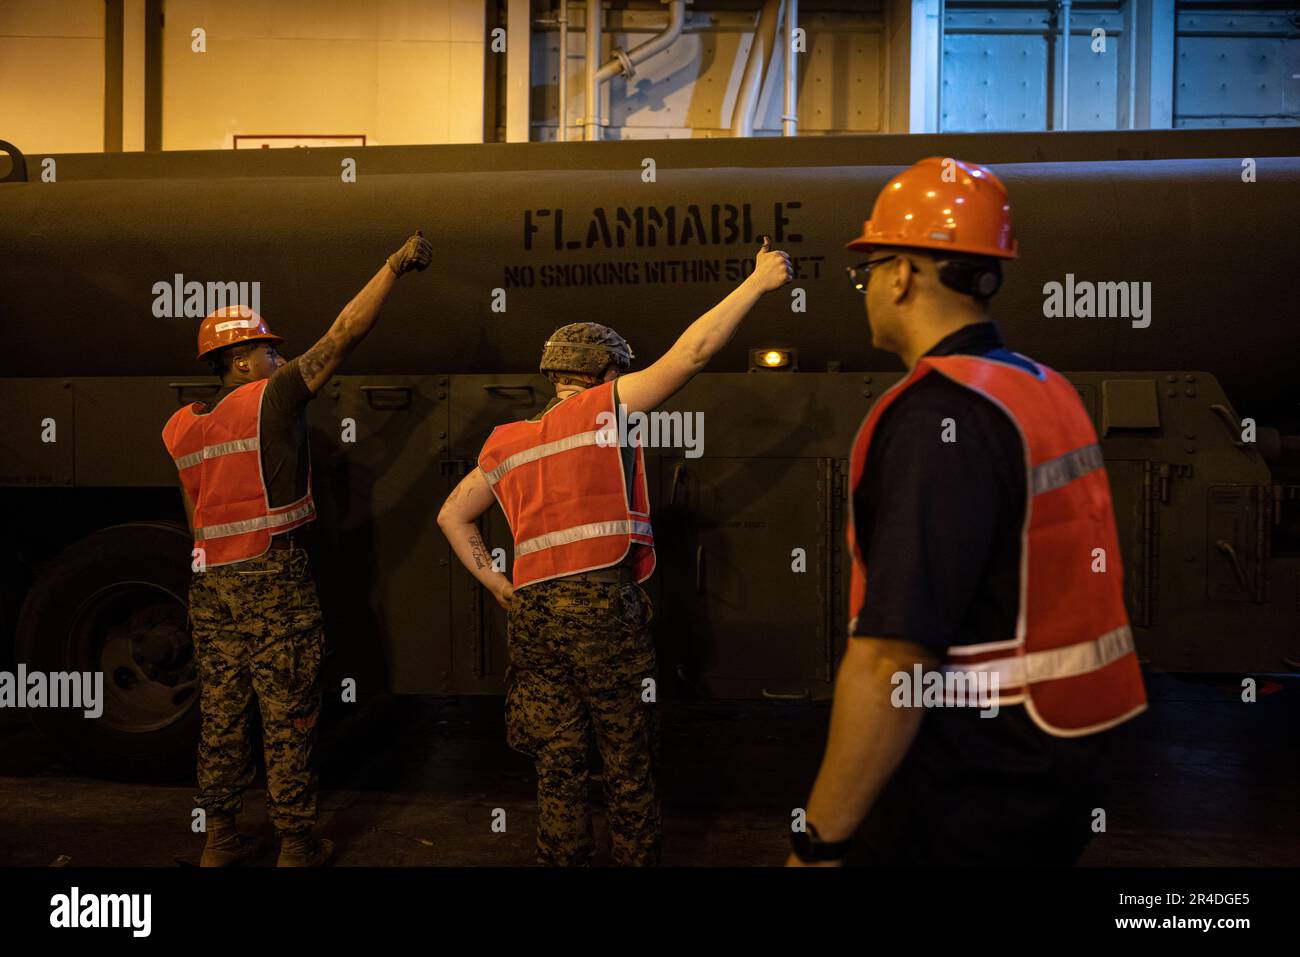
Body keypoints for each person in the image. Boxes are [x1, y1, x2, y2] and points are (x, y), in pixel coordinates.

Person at [788, 158, 1147, 867]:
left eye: (867, 272)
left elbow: (893, 657)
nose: (866, 290)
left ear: (901, 275)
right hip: (1058, 765)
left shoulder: (937, 416)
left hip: (969, 783)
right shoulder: (1042, 386)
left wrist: (818, 843)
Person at [438, 239, 793, 865]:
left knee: (558, 757)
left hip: (532, 615)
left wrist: (496, 583)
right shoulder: (603, 411)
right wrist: (758, 282)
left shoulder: (509, 441)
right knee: (627, 753)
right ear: (606, 373)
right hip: (600, 609)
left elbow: (451, 515)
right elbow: (693, 353)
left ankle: (563, 859)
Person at [162, 232, 432, 866]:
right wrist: (392, 267)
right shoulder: (272, 398)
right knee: (289, 715)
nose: (280, 359)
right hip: (273, 577)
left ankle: (219, 840)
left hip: (212, 586)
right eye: (269, 350)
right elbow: (344, 334)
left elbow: (196, 520)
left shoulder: (182, 426)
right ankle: (296, 844)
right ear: (241, 360)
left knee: (222, 714)